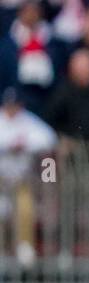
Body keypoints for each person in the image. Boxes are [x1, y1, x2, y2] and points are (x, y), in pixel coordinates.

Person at [0, 83, 55, 267]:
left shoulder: (27, 120)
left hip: (21, 181)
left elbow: (48, 138)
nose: (13, 108)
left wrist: (25, 145)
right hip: (1, 181)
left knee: (25, 210)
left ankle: (24, 247)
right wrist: (9, 145)